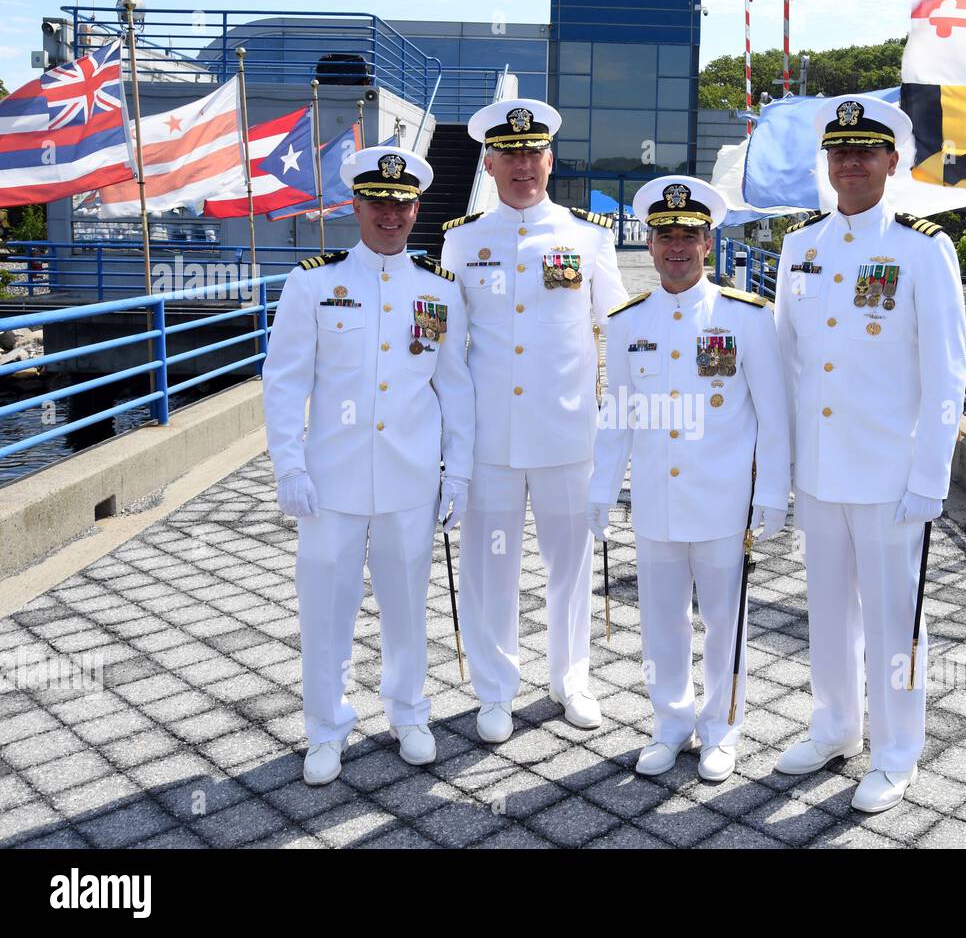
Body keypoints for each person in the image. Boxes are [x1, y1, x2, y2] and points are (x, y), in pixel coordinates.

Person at [772, 95, 966, 812]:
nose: (849, 164)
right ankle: (834, 727)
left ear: (892, 161)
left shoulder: (921, 248)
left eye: (864, 151)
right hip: (821, 469)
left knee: (894, 618)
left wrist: (931, 475)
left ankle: (896, 751)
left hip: (891, 471)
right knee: (826, 612)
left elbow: (949, 371)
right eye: (839, 152)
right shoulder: (802, 244)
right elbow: (787, 355)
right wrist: (784, 463)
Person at [262, 145, 475, 785]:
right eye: (378, 201)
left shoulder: (437, 289)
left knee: (408, 603)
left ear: (416, 209)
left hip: (410, 478)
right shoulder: (315, 283)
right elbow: (283, 380)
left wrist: (456, 471)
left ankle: (410, 712)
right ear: (355, 204)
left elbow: (454, 386)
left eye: (402, 203)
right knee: (326, 606)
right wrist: (289, 466)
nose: (391, 214)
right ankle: (326, 727)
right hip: (331, 481)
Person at [439, 99, 630, 742]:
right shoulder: (462, 240)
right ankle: (495, 689)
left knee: (570, 566)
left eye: (533, 154)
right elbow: (447, 350)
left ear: (550, 160)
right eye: (509, 155)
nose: (523, 167)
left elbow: (623, 332)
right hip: (491, 438)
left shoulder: (588, 236)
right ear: (489, 163)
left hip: (567, 434)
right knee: (490, 568)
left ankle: (571, 677)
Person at [588, 176, 790, 781]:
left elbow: (774, 415)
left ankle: (722, 726)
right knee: (661, 621)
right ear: (648, 244)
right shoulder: (627, 321)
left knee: (725, 619)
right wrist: (602, 488)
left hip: (725, 500)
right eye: (664, 235)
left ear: (708, 242)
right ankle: (670, 722)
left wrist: (773, 491)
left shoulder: (748, 317)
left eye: (689, 235)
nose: (676, 246)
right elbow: (617, 413)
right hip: (656, 500)